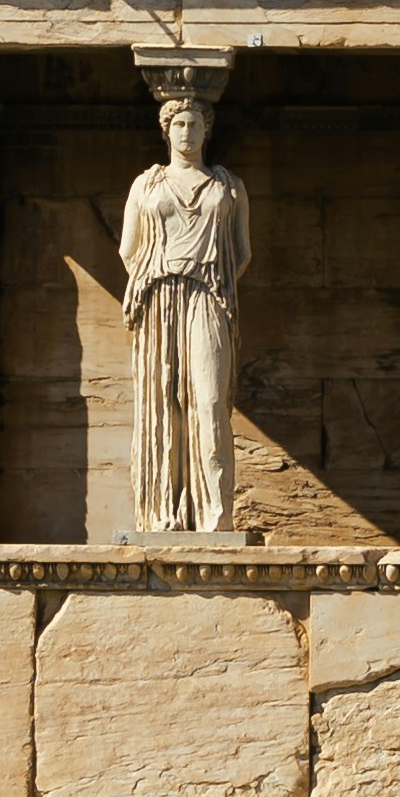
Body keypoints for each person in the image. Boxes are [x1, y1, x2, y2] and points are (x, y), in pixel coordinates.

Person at [119, 85, 247, 536]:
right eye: (178, 123)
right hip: (158, 297)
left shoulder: (228, 186)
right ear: (166, 129)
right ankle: (163, 512)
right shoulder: (147, 184)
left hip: (209, 295)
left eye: (195, 123)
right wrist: (159, 275)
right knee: (164, 401)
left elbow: (242, 252)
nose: (187, 131)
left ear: (207, 130)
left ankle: (215, 513)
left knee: (210, 400)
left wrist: (204, 275)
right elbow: (128, 248)